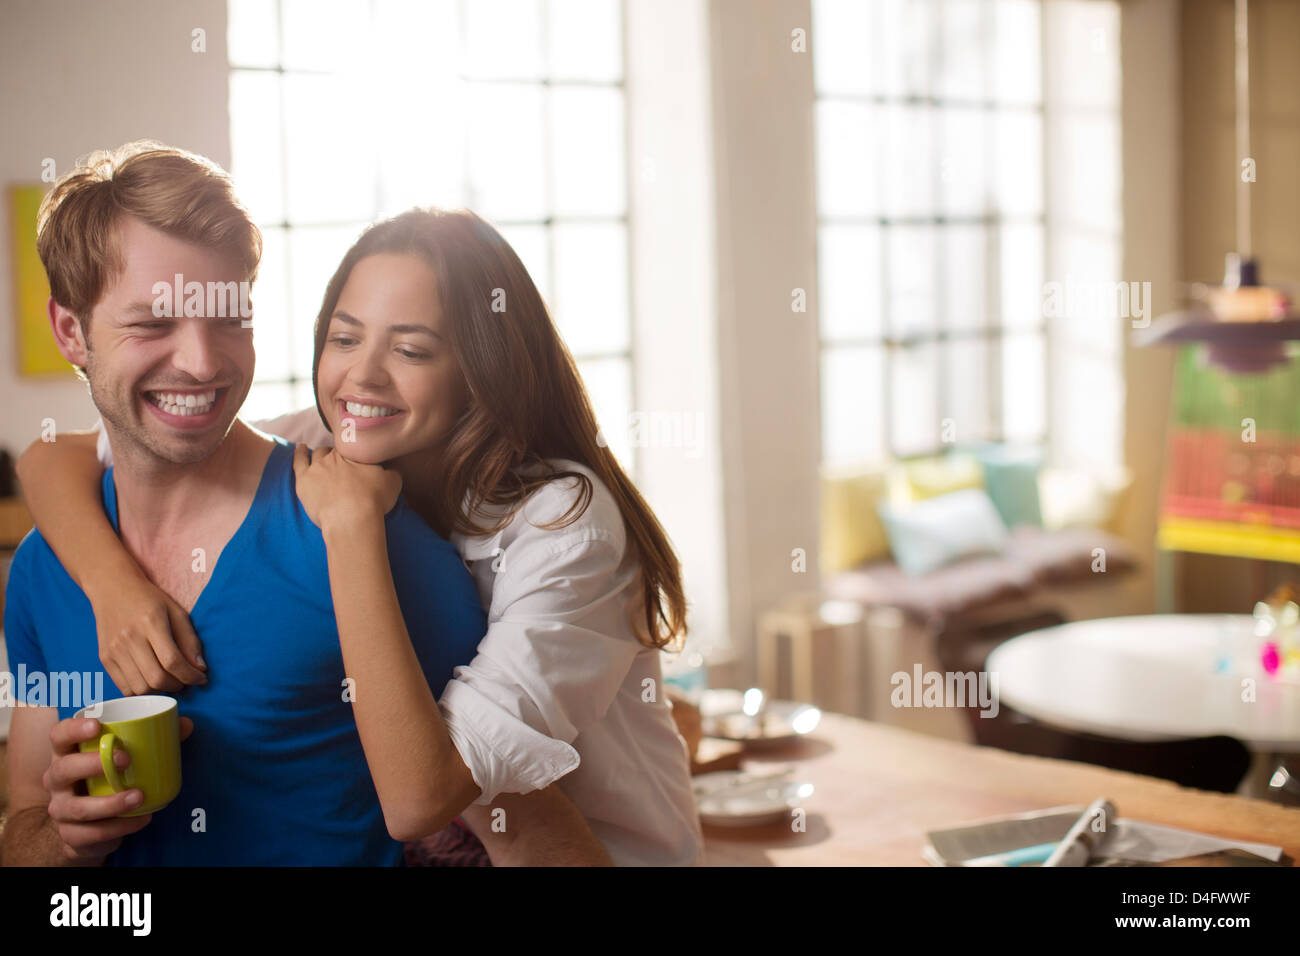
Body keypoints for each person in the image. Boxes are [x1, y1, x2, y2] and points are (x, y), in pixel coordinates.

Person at [20, 201, 704, 866]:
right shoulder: (331, 437)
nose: (362, 376)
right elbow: (59, 456)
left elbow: (423, 797)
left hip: (587, 845)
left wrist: (351, 531)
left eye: (410, 348)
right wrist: (112, 585)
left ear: (482, 366)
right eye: (344, 339)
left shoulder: (563, 527)